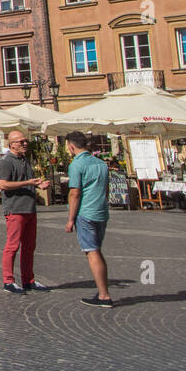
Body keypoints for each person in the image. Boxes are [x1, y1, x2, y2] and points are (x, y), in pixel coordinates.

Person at [0, 130, 52, 295]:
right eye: (21, 142)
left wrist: (37, 185)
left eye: (25, 141)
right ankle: (8, 281)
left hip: (29, 208)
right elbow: (3, 184)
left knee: (29, 247)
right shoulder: (6, 161)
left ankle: (28, 279)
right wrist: (28, 182)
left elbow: (26, 181)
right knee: (12, 246)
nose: (25, 144)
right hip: (15, 209)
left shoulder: (25, 159)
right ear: (11, 144)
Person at [66, 131, 112, 308]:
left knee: (92, 252)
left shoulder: (77, 164)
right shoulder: (101, 163)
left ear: (71, 146)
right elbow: (105, 189)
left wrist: (70, 219)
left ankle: (104, 295)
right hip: (101, 211)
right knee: (96, 250)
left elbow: (75, 193)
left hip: (85, 213)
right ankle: (102, 291)